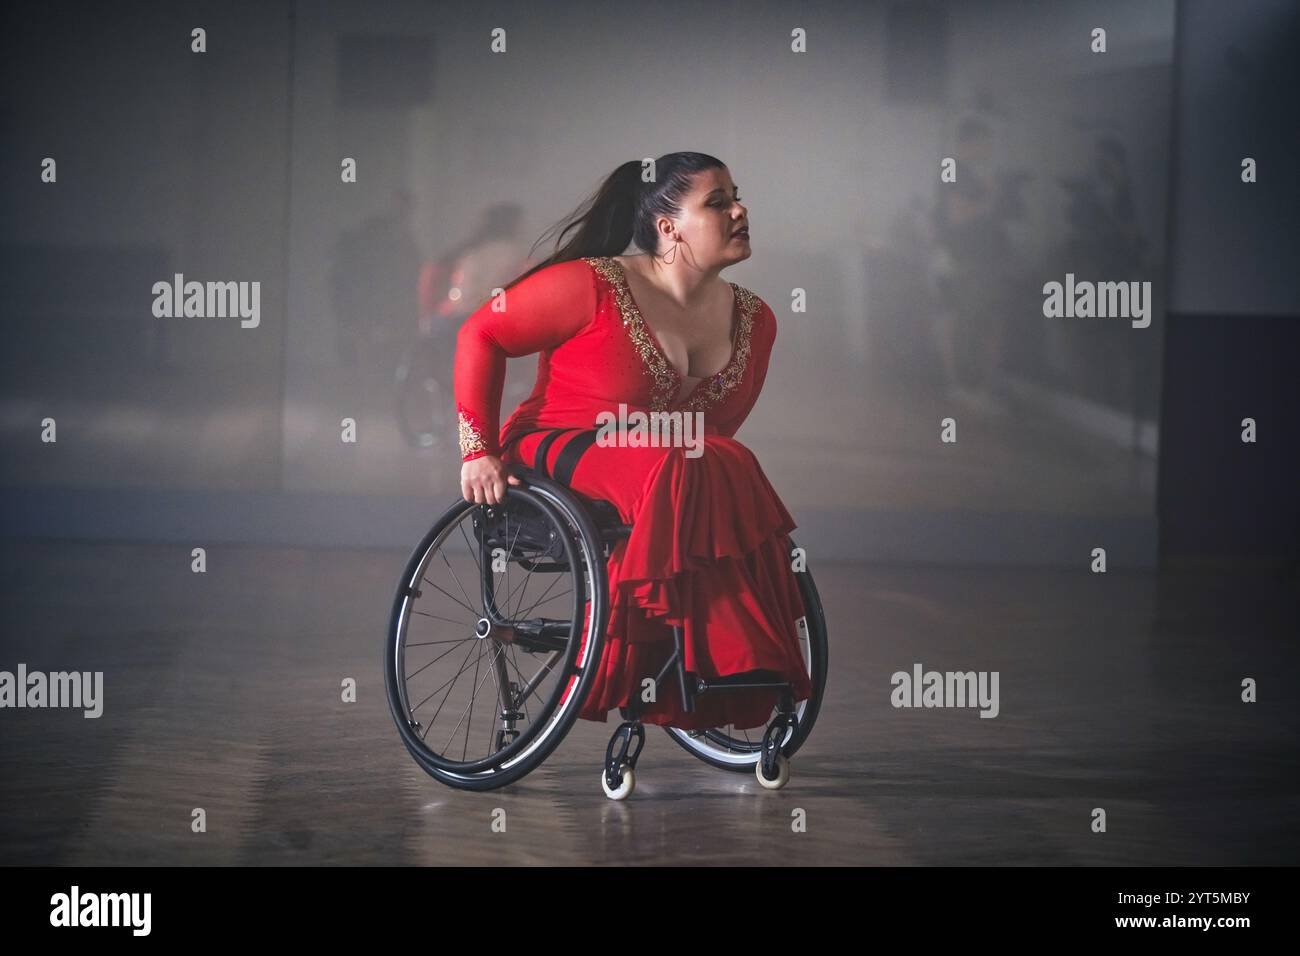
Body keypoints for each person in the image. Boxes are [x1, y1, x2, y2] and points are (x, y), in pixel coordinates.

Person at [452, 152, 813, 731]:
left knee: (721, 456)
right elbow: (481, 333)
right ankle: (647, 646)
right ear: (668, 228)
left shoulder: (755, 319)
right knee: (693, 458)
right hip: (556, 443)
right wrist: (478, 450)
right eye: (718, 202)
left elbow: (719, 428)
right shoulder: (593, 284)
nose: (740, 210)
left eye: (736, 196)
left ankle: (732, 663)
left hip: (664, 461)